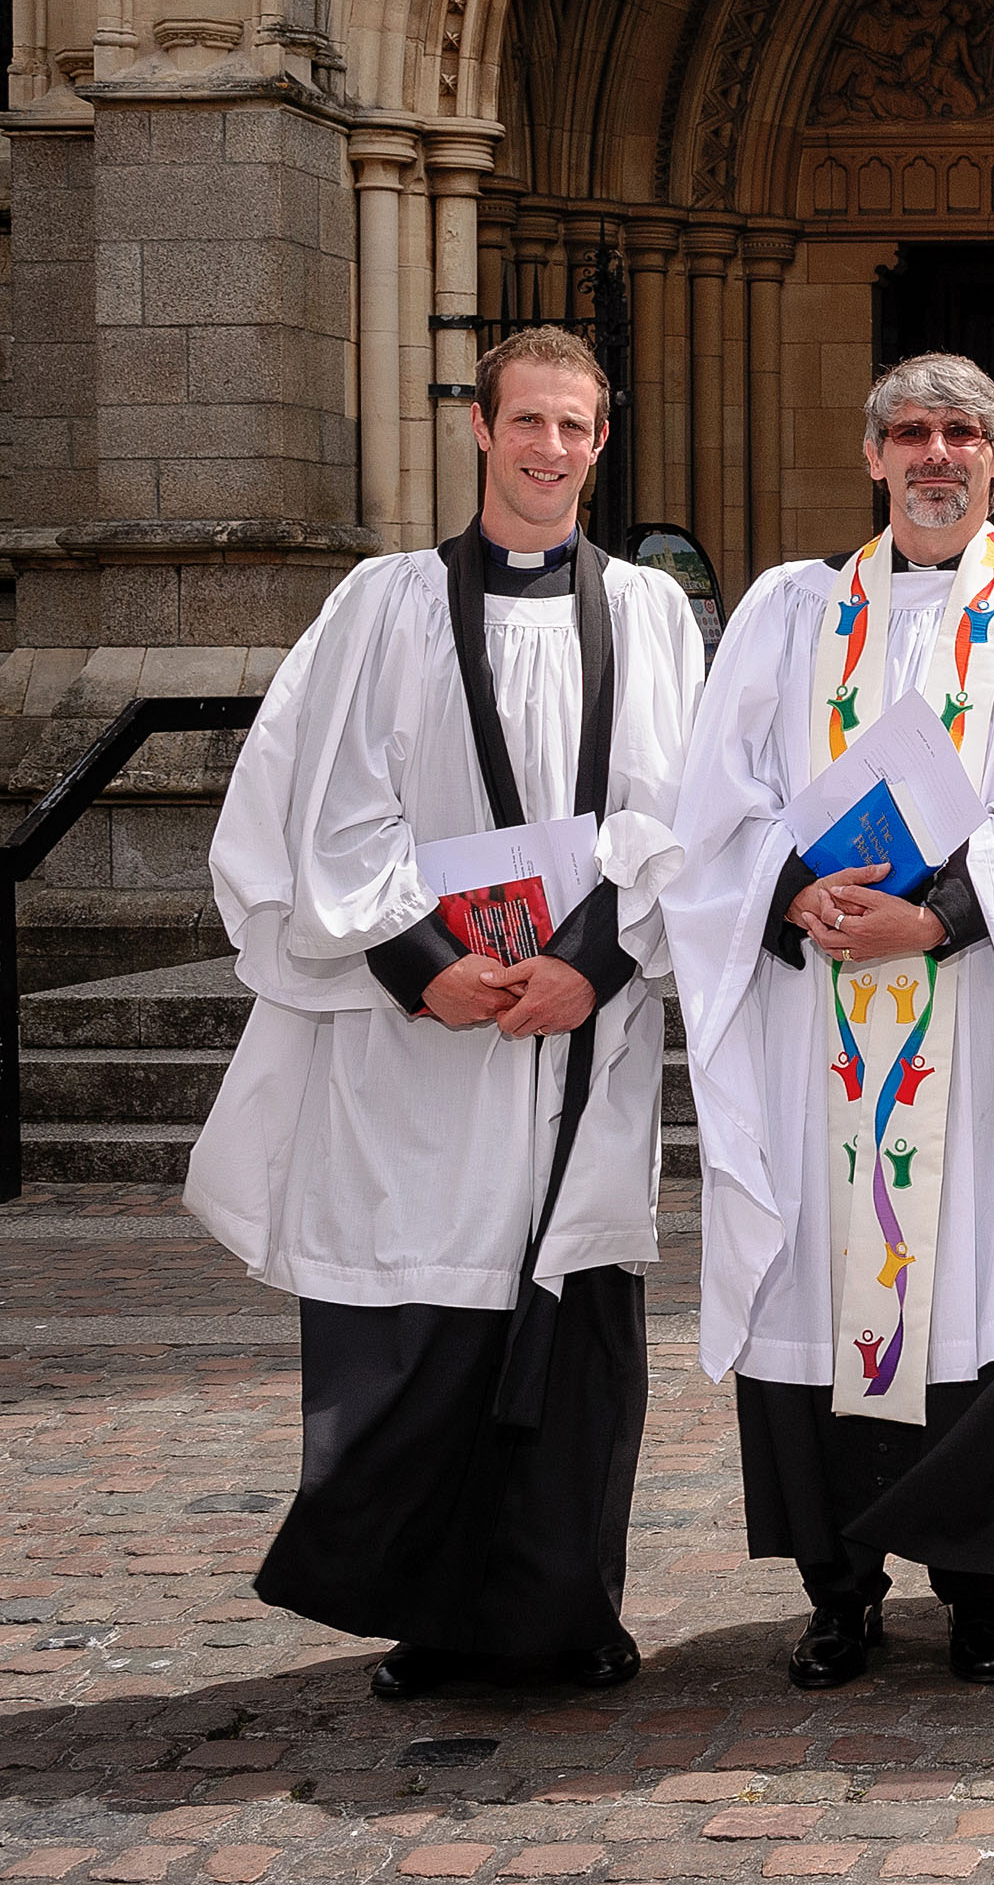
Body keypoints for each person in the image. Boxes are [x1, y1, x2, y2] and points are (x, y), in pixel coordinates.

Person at [186, 327, 701, 1699]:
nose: (548, 449)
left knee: (574, 1312)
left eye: (574, 427)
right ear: (480, 426)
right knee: (427, 1313)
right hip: (424, 1036)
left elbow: (672, 815)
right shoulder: (385, 603)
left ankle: (570, 1609)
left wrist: (592, 960)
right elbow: (326, 804)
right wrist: (424, 965)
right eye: (525, 421)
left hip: (580, 1020)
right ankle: (436, 1613)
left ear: (604, 438)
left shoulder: (649, 611)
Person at [665, 353, 994, 1691]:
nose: (935, 453)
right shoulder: (785, 611)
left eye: (960, 432)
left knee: (962, 1285)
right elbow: (718, 802)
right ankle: (839, 1593)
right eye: (909, 432)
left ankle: (978, 1595)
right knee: (818, 1288)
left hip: (967, 1016)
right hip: (816, 1020)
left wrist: (940, 920)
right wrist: (797, 892)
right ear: (872, 458)